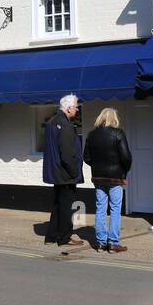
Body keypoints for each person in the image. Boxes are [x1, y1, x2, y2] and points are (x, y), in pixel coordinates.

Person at [84, 108, 132, 253]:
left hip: (98, 177)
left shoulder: (91, 135)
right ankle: (113, 242)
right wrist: (124, 171)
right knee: (115, 209)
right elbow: (126, 157)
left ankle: (100, 243)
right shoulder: (118, 133)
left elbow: (86, 157)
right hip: (115, 177)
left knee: (100, 209)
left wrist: (97, 166)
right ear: (114, 118)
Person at [42, 94, 85, 247]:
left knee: (57, 205)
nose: (77, 110)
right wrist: (74, 172)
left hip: (56, 173)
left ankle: (51, 236)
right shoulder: (65, 125)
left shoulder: (52, 121)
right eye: (75, 107)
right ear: (68, 108)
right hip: (66, 174)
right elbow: (67, 154)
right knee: (67, 207)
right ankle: (64, 237)